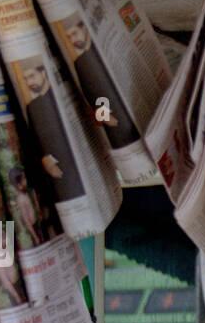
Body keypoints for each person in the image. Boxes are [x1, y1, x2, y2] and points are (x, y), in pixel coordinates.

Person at [62, 17, 138, 148]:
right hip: (120, 128)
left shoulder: (103, 49)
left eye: (75, 33)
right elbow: (94, 97)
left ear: (84, 29)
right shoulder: (80, 63)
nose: (73, 40)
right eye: (69, 37)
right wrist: (105, 116)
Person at [20, 59, 84, 201]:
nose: (29, 82)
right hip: (61, 176)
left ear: (43, 73)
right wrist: (44, 159)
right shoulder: (33, 107)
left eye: (32, 76)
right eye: (26, 79)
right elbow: (32, 144)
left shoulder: (64, 92)